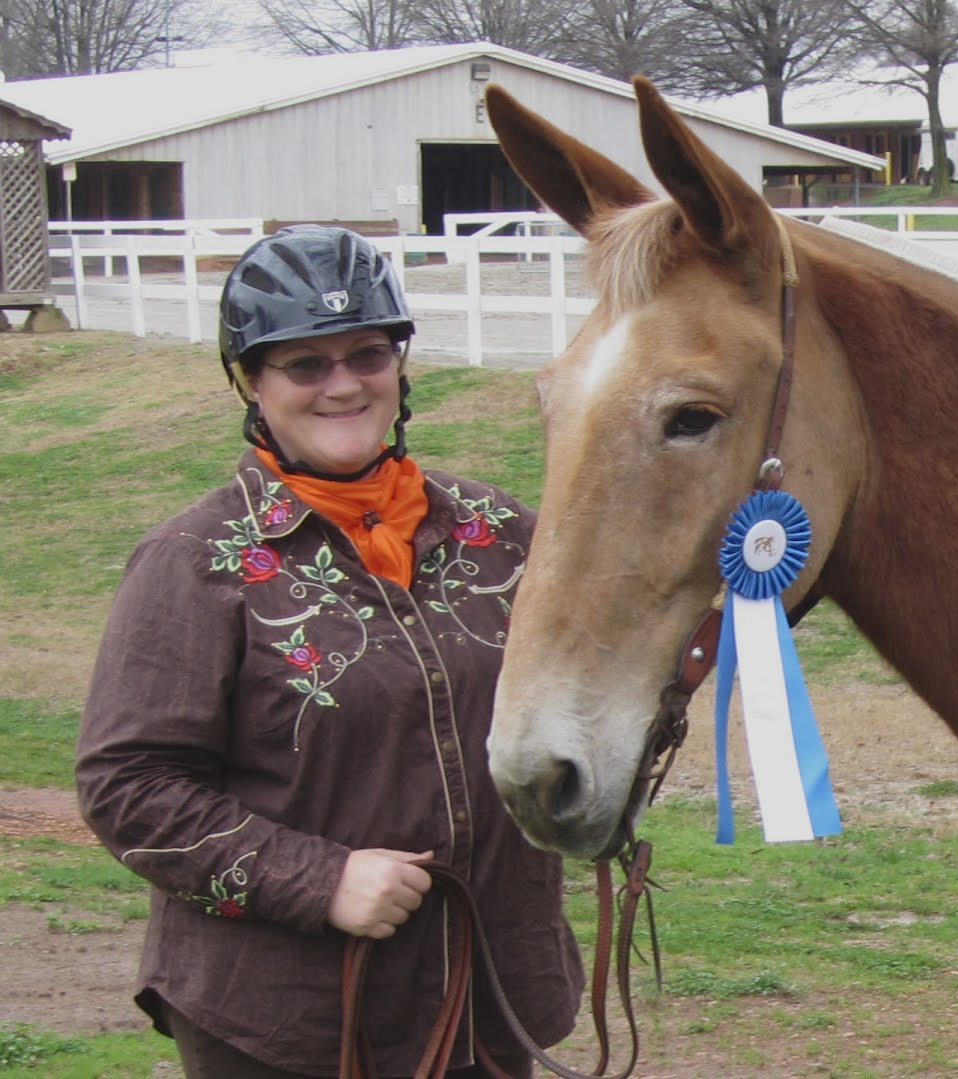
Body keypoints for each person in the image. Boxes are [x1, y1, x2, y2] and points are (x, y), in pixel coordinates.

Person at [76, 225, 582, 1078]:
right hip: (288, 1021)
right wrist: (318, 879)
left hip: (482, 1000)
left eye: (367, 354)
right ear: (251, 381)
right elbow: (128, 785)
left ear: (400, 365)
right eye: (305, 364)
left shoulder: (500, 533)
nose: (343, 384)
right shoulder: (198, 562)